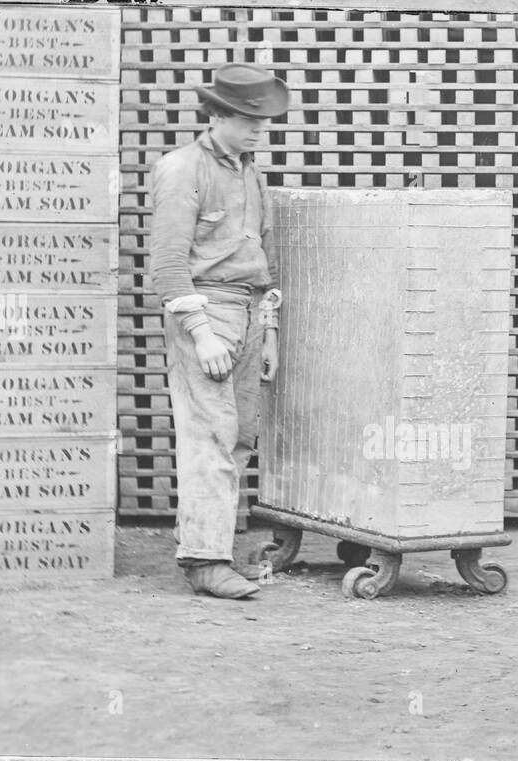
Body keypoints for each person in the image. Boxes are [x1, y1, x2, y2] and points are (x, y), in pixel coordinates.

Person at [148, 63, 291, 599]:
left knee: (238, 437)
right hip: (206, 312)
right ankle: (206, 562)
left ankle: (208, 547)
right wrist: (201, 333)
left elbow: (263, 256)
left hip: (250, 311)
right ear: (215, 114)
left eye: (264, 121)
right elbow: (166, 264)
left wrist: (270, 329)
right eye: (246, 118)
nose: (258, 129)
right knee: (208, 436)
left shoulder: (249, 170)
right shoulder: (182, 169)